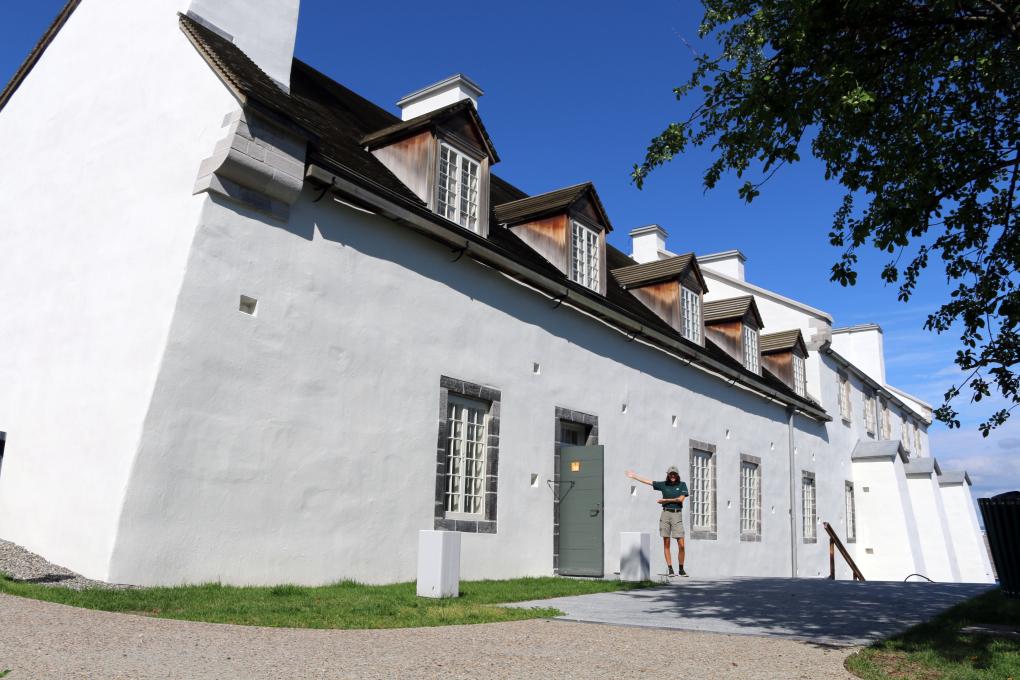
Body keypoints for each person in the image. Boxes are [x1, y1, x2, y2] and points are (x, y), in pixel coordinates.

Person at [626, 466, 689, 577]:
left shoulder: (682, 485)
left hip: (677, 514)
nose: (672, 476)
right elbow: (649, 482)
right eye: (671, 474)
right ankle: (670, 569)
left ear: (677, 475)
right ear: (668, 475)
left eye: (674, 474)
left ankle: (681, 568)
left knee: (682, 545)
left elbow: (680, 499)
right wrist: (634, 476)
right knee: (666, 542)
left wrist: (665, 500)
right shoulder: (663, 484)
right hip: (665, 514)